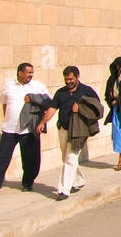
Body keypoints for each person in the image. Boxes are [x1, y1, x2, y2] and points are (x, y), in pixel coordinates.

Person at [0, 62, 50, 195]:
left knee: (30, 159)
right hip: (9, 130)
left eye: (32, 73)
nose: (31, 75)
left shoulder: (38, 86)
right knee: (2, 158)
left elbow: (48, 102)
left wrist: (33, 99)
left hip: (28, 130)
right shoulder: (9, 86)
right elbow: (4, 103)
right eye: (28, 72)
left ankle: (28, 183)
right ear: (20, 73)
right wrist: (9, 119)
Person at [43, 67, 103, 201]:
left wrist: (80, 108)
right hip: (63, 129)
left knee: (70, 157)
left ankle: (64, 190)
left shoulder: (87, 91)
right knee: (66, 158)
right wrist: (43, 122)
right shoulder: (61, 93)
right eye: (66, 80)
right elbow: (53, 108)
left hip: (79, 131)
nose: (68, 82)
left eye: (71, 79)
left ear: (77, 77)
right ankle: (78, 180)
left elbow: (97, 108)